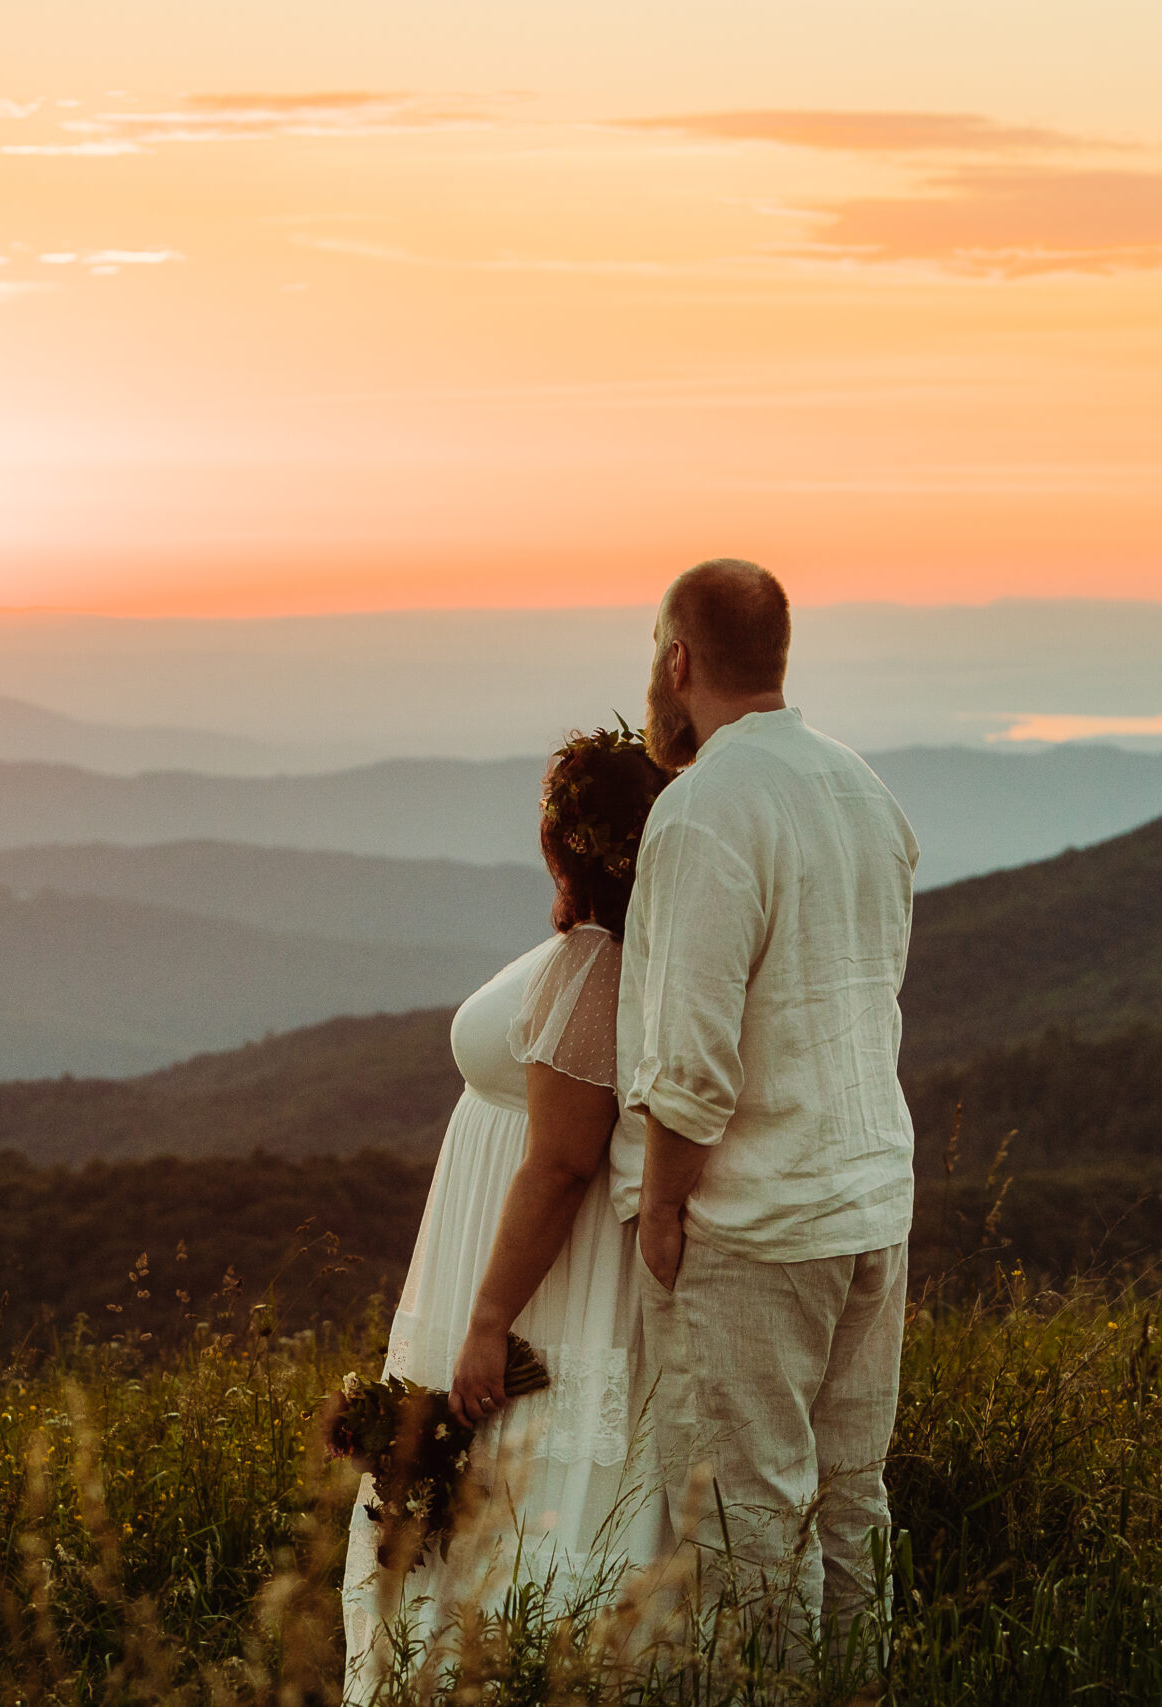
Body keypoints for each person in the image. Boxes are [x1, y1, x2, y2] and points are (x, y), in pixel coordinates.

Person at [616, 559, 920, 1663]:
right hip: (869, 1199)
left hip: (755, 1225)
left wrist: (659, 1213)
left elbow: (691, 1059)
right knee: (849, 1503)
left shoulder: (703, 813)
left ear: (679, 660)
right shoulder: (861, 790)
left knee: (746, 1529)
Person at [340, 726, 675, 1701]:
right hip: (513, 1266)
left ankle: (503, 1676)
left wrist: (488, 1321)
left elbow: (564, 1162)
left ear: (568, 840)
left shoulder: (595, 966)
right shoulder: (594, 951)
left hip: (541, 1285)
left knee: (530, 1498)